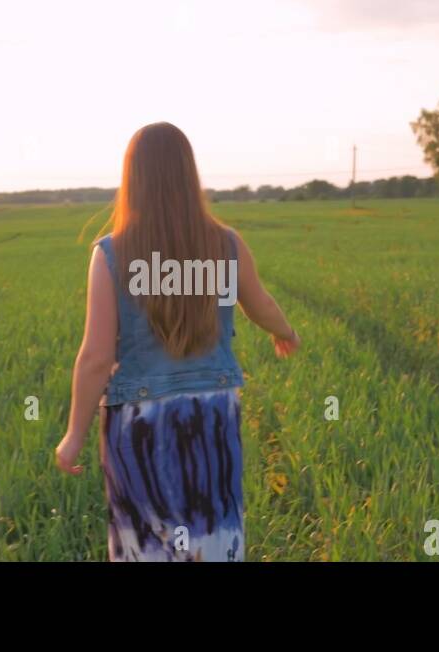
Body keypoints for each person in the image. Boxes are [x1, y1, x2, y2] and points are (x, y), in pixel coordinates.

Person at [55, 122, 300, 561]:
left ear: (133, 178)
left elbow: (95, 357)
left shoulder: (111, 253)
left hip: (140, 421)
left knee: (146, 544)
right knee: (213, 531)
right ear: (190, 174)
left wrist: (74, 434)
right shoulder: (225, 244)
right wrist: (285, 331)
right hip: (211, 412)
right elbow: (259, 302)